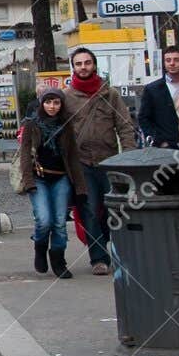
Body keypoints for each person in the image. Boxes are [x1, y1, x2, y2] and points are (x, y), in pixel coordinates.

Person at [61, 47, 136, 274]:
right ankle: (99, 259)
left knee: (115, 209)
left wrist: (129, 155)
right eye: (78, 64)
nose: (83, 67)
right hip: (82, 163)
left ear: (94, 65)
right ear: (73, 67)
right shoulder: (66, 97)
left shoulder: (109, 93)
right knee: (91, 210)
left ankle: (117, 249)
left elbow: (124, 125)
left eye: (87, 63)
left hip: (110, 161)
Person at [17, 89, 85, 280]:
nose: (52, 107)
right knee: (44, 220)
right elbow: (24, 154)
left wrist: (80, 187)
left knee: (60, 222)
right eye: (48, 102)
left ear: (61, 105)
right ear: (41, 104)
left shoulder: (66, 125)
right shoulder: (31, 124)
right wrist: (28, 181)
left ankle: (58, 259)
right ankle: (40, 247)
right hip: (39, 178)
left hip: (61, 178)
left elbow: (72, 157)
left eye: (56, 103)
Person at [138, 45, 179, 151]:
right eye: (168, 60)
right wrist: (159, 141)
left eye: (177, 60)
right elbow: (144, 118)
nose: (172, 63)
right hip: (167, 146)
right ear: (164, 63)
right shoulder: (152, 89)